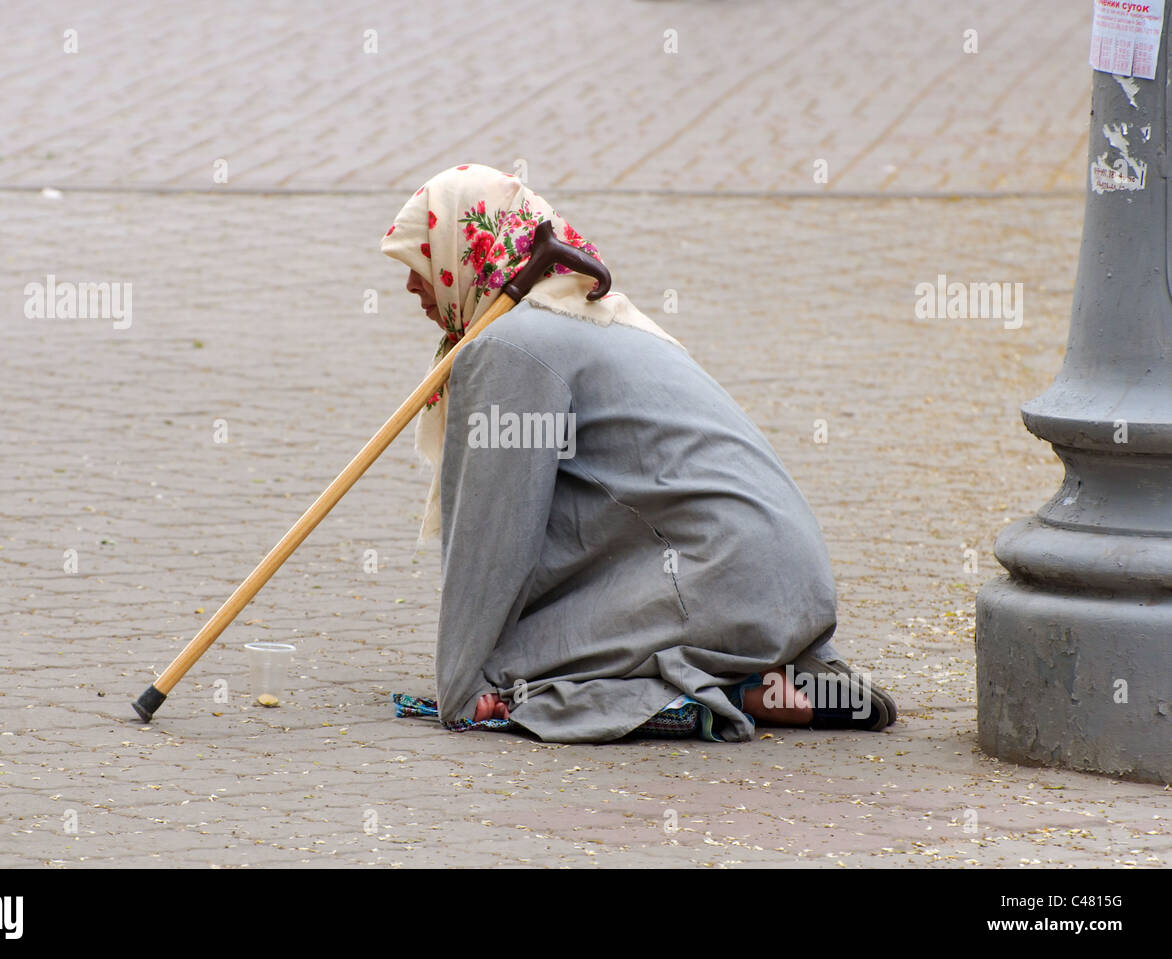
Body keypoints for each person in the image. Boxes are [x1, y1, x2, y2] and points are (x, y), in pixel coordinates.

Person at [382, 163, 896, 743]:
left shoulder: (512, 346)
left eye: (420, 264)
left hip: (720, 578)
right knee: (526, 640)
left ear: (464, 255)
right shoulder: (597, 316)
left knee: (514, 673)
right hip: (782, 587)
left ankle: (734, 693)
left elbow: (494, 530)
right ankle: (766, 676)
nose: (410, 286)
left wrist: (463, 686)